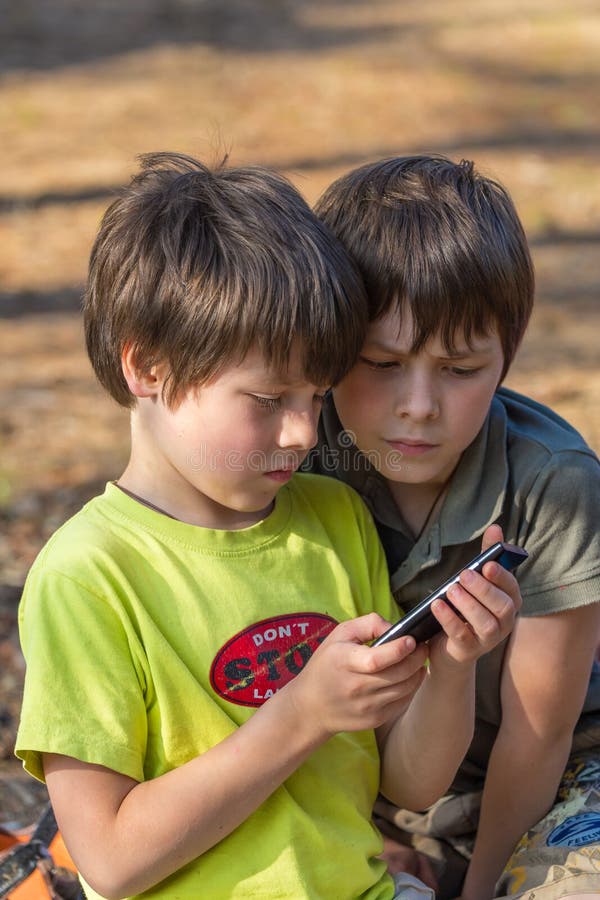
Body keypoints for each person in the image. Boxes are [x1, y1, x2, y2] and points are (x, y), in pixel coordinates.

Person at [14, 152, 521, 900]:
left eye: (315, 397)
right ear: (147, 368)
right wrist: (299, 718)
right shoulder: (89, 576)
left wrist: (449, 665)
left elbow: (409, 783)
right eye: (267, 398)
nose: (301, 433)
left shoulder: (333, 517)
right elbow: (111, 861)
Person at [307, 154, 600, 900]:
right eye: (380, 362)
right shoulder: (293, 464)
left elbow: (538, 738)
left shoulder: (553, 483)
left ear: (508, 359)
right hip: (372, 794)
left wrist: (479, 888)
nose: (419, 406)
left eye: (462, 369)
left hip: (560, 781)